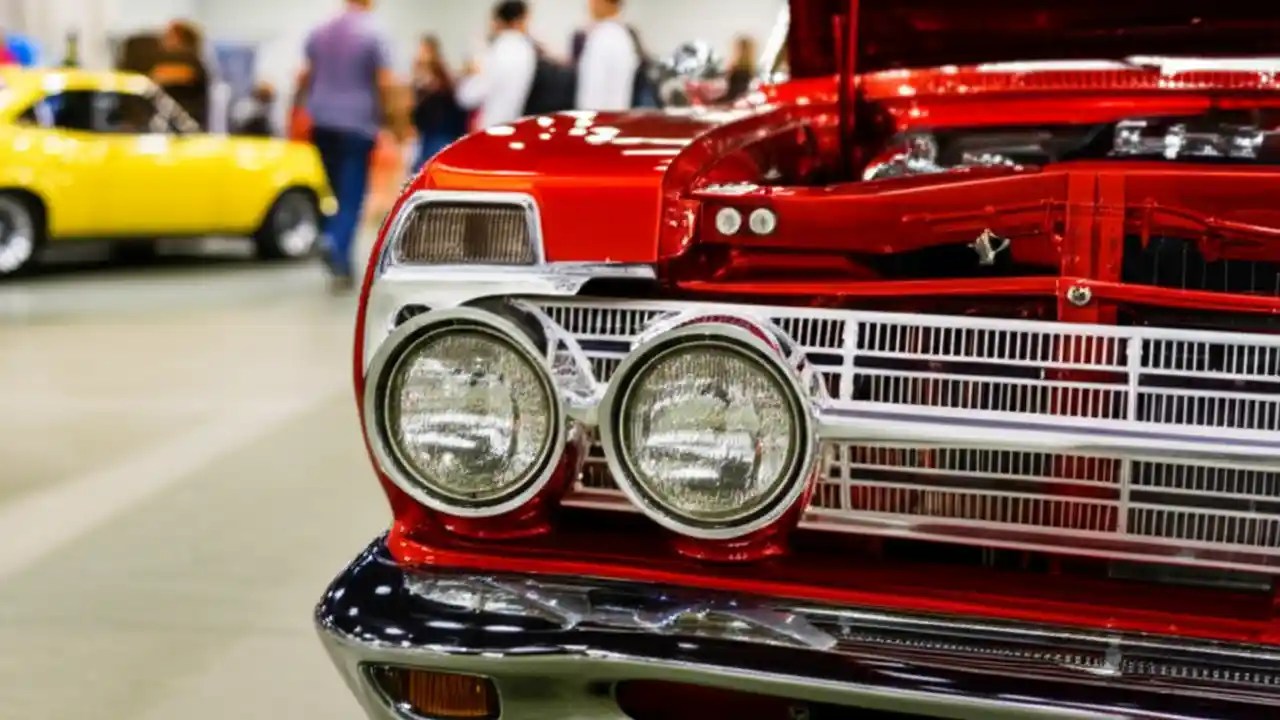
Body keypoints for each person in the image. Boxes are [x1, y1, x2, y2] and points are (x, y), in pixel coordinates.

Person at [296, 0, 399, 290]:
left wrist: (298, 109)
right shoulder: (375, 32)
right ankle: (334, 242)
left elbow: (305, 75)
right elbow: (385, 81)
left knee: (336, 191)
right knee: (352, 194)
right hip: (357, 123)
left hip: (322, 122)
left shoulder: (319, 29)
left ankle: (335, 246)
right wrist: (393, 120)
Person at [455, 1, 537, 130]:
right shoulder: (527, 50)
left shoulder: (496, 51)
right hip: (512, 125)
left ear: (498, 21)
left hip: (487, 127)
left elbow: (467, 96)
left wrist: (469, 74)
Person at [411, 35, 465, 170]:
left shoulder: (439, 79)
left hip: (440, 130)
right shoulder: (424, 77)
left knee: (429, 165)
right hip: (429, 130)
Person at [575, 0, 639, 111]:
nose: (590, 4)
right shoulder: (620, 36)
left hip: (599, 119)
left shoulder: (606, 37)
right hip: (610, 118)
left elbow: (594, 92)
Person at [150, 20, 210, 127]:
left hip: (187, 126)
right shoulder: (166, 60)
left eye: (169, 35)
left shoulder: (191, 61)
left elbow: (161, 76)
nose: (163, 39)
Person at [724, 34, 758, 103]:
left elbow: (734, 92)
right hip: (738, 100)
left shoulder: (738, 69)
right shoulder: (750, 68)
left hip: (734, 100)